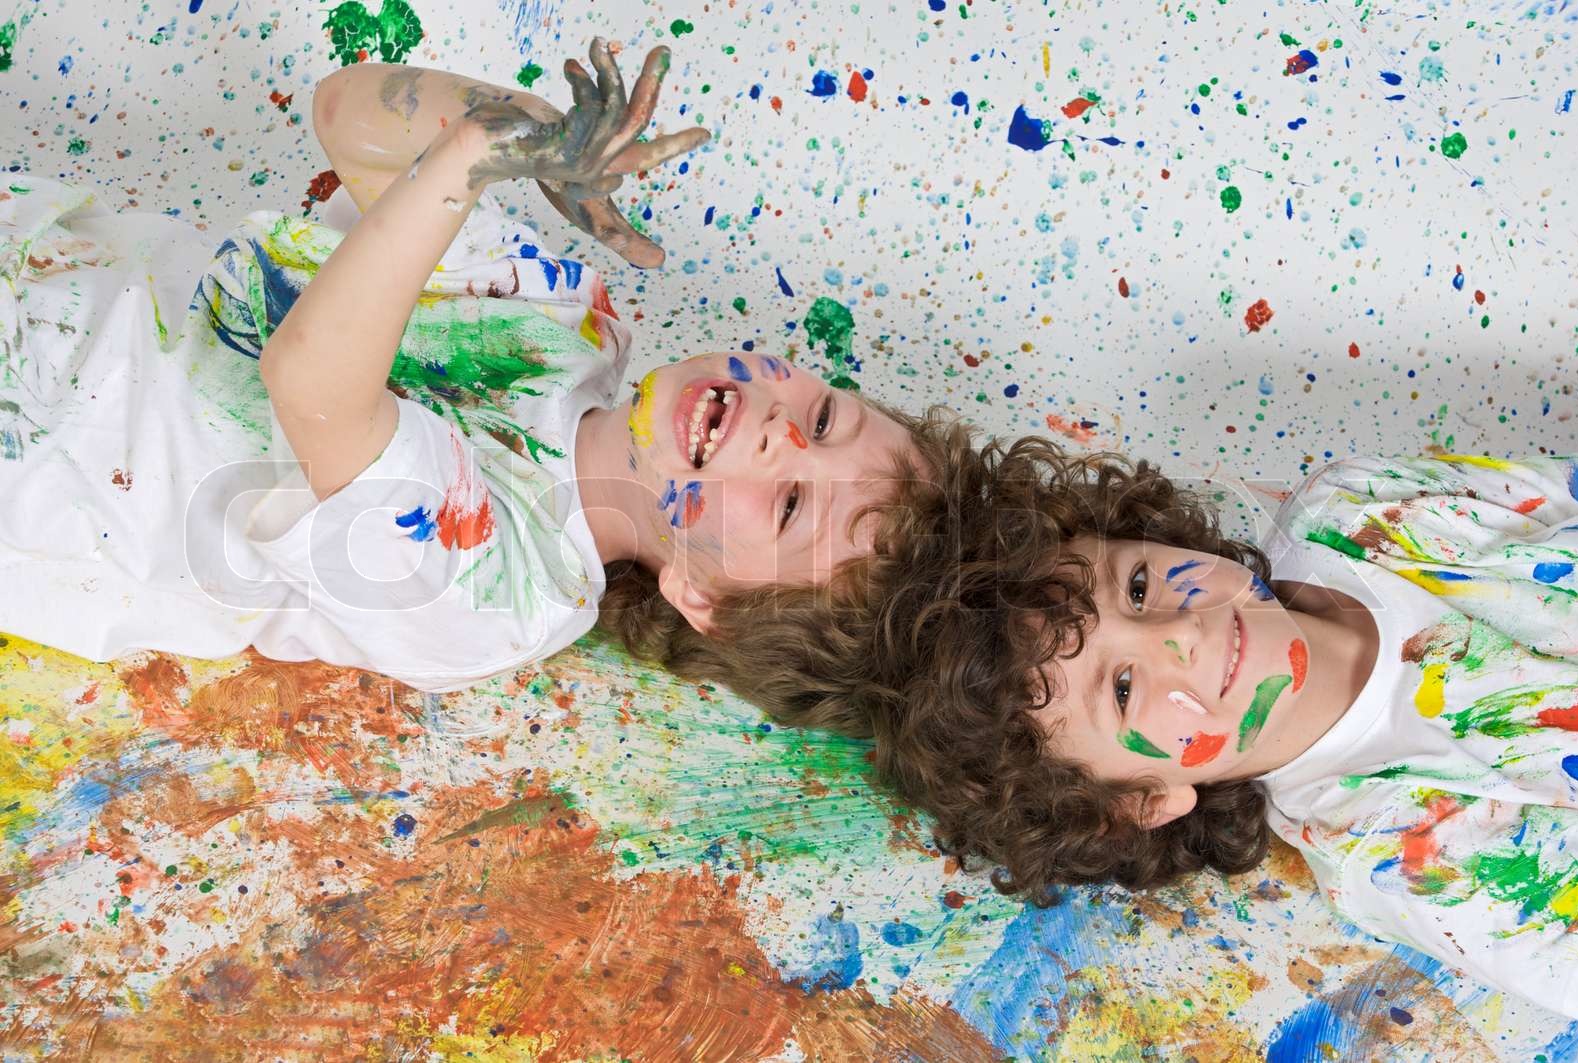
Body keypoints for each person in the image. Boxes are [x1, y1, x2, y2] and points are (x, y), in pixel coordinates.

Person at [0, 40, 925, 692]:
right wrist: (537, 136)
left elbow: (312, 383)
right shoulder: (577, 316)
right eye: (828, 417)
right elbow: (349, 117)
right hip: (39, 255)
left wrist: (475, 155)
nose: (782, 435)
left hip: (39, 468)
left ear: (702, 596)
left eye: (793, 502)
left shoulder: (511, 598)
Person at [712, 423, 1578, 1026]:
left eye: (1136, 587)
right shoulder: (1394, 846)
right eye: (1125, 689)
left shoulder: (1354, 510)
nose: (1178, 631)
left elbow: (1574, 492)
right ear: (1144, 801)